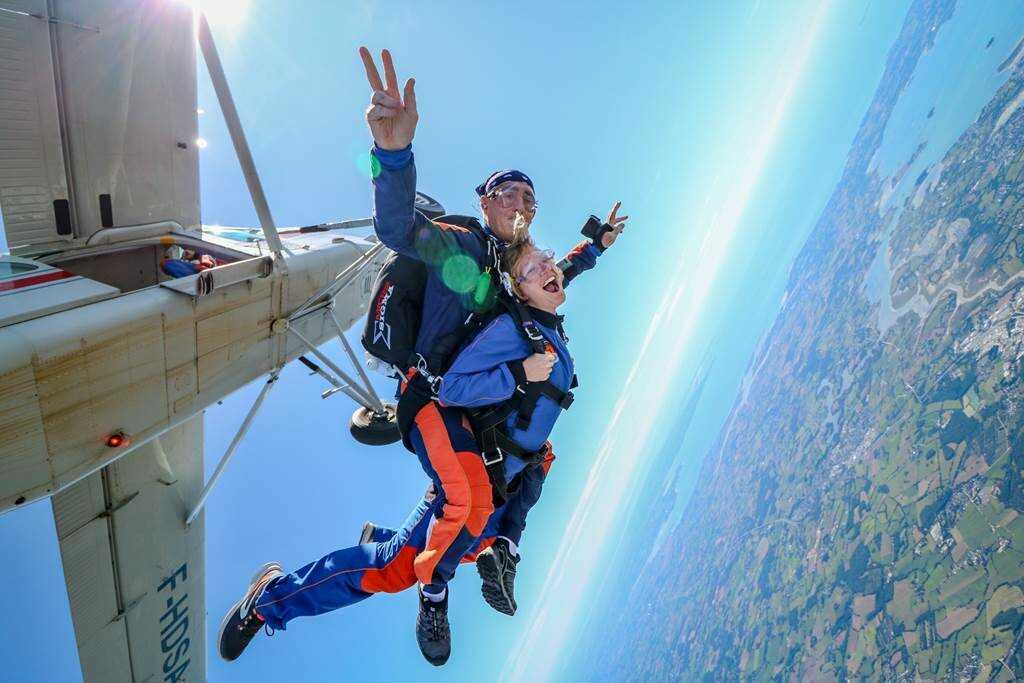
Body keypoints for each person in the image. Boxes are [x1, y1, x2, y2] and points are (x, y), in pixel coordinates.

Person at [356, 47, 628, 662]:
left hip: (468, 399)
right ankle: (433, 592)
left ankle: (486, 549)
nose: (522, 205)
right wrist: (393, 154)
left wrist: (595, 247)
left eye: (530, 200)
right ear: (484, 201)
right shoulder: (463, 248)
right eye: (510, 194)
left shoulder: (508, 275)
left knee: (522, 471)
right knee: (470, 504)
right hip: (435, 393)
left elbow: (551, 279)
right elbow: (398, 229)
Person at [218, 241, 572, 667]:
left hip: (501, 478)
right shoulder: (513, 327)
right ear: (517, 288)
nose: (548, 270)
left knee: (486, 528)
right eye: (535, 268)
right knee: (393, 568)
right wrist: (517, 372)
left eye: (548, 263)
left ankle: (436, 546)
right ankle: (269, 602)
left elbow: (554, 276)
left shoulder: (542, 321)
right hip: (472, 475)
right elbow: (455, 385)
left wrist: (595, 245)